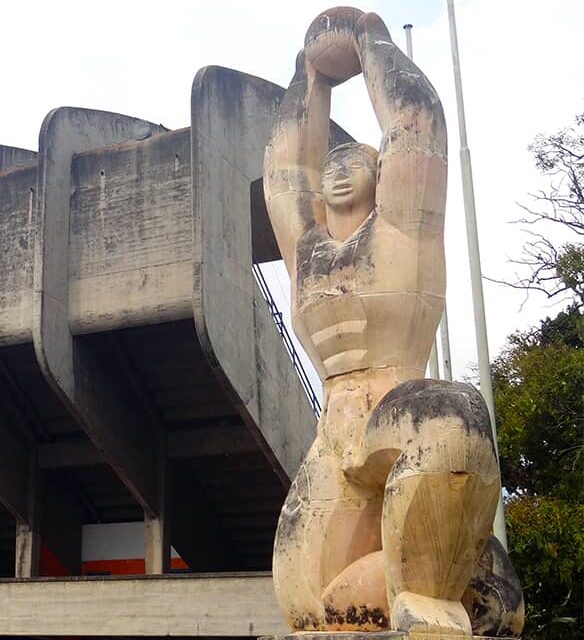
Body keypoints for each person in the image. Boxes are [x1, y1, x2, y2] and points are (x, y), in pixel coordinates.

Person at [263, 8, 519, 635]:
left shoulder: (404, 227)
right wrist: (309, 76)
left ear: (382, 177)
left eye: (358, 158)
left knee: (454, 426)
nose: (340, 164)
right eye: (334, 160)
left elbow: (414, 121)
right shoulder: (308, 254)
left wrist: (367, 40)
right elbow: (282, 173)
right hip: (334, 425)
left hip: (396, 401)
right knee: (307, 604)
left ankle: (431, 606)